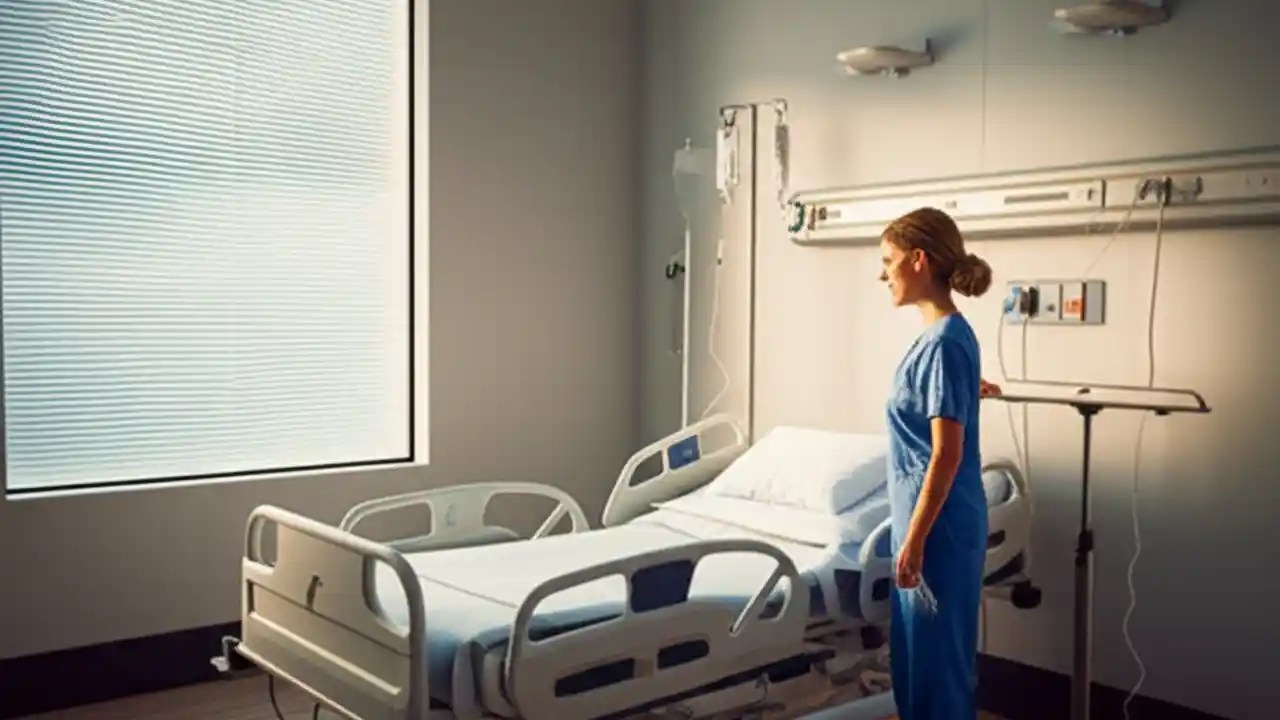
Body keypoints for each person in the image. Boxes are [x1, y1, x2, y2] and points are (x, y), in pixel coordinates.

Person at [877, 206, 1000, 719]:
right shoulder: (943, 339)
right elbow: (939, 410)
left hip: (939, 531)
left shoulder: (946, 343)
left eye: (888, 260)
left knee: (937, 677)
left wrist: (915, 541)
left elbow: (946, 456)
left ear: (918, 260)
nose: (882, 274)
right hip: (929, 524)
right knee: (916, 668)